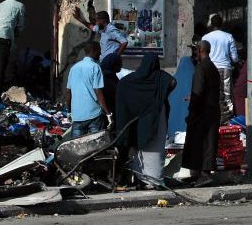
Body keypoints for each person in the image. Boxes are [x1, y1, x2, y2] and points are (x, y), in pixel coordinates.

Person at [115, 54, 176, 188]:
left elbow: (121, 87)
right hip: (155, 122)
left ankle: (140, 179)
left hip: (137, 125)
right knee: (155, 152)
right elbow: (173, 82)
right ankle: (154, 180)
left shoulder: (130, 81)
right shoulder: (160, 78)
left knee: (139, 153)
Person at [180, 40, 221, 185]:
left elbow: (198, 92)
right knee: (208, 142)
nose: (194, 53)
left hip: (202, 112)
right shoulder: (212, 67)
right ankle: (201, 173)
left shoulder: (201, 68)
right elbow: (208, 90)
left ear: (200, 50)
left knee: (199, 142)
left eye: (195, 50)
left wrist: (192, 112)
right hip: (211, 111)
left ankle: (203, 174)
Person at [65, 41, 111, 138]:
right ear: (94, 51)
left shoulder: (74, 68)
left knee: (76, 146)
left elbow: (68, 92)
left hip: (77, 115)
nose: (100, 53)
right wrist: (108, 113)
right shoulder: (95, 67)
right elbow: (98, 91)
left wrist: (69, 111)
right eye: (99, 51)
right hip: (93, 114)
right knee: (95, 145)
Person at [0, 0, 26, 97]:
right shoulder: (20, 6)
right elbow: (21, 25)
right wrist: (16, 33)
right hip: (3, 38)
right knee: (1, 69)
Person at [201, 14, 238, 123]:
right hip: (225, 68)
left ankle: (211, 118)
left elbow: (202, 55)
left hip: (210, 68)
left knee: (211, 93)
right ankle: (228, 119)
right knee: (226, 95)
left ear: (211, 24)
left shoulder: (205, 37)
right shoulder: (228, 36)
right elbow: (234, 58)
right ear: (222, 24)